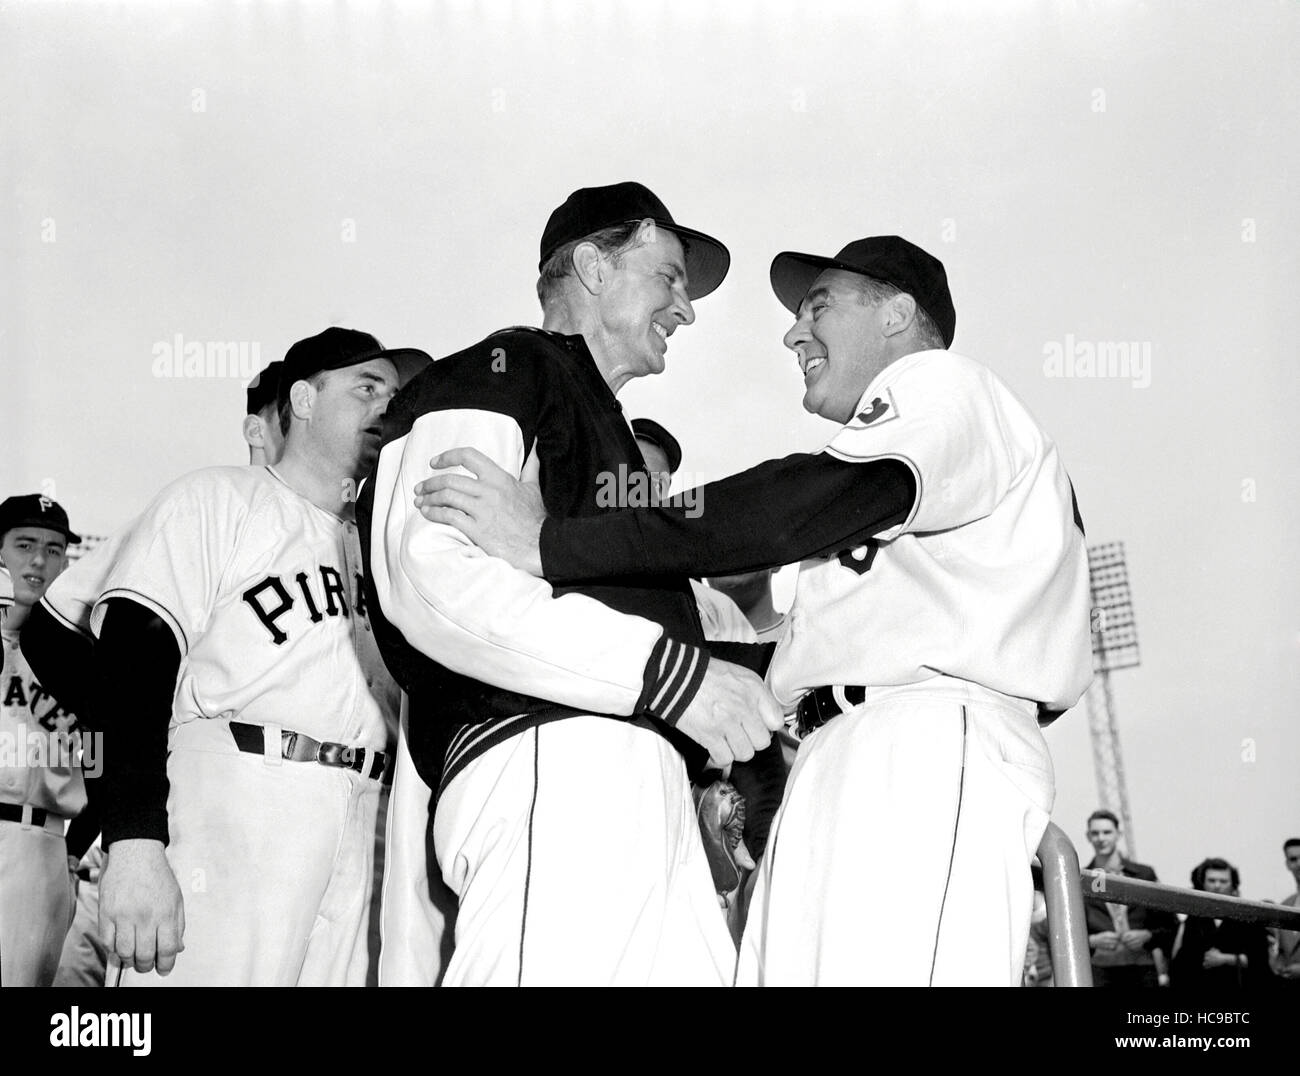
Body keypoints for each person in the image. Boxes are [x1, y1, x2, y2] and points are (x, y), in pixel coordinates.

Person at [415, 234, 1093, 985]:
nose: (795, 332)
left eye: (821, 305)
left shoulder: (947, 385)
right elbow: (761, 630)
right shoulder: (891, 475)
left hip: (925, 737)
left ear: (899, 314)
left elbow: (775, 511)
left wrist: (551, 542)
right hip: (838, 750)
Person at [359, 180, 784, 986]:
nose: (684, 310)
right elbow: (433, 576)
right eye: (669, 277)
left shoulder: (605, 429)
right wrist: (665, 675)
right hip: (550, 759)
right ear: (591, 265)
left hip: (643, 775)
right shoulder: (503, 368)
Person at [85, 329, 428, 986]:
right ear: (303, 398)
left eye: (396, 395)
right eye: (368, 388)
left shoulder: (390, 551)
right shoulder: (217, 499)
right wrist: (132, 837)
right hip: (237, 798)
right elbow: (130, 671)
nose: (389, 407)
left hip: (367, 817)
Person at [30, 362, 288, 988]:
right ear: (261, 426)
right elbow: (51, 631)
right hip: (179, 812)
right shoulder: (208, 506)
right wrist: (145, 732)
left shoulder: (331, 528)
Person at [0, 494, 84, 986]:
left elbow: (104, 762)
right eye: (24, 544)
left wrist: (73, 853)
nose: (39, 560)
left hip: (43, 848)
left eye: (54, 550)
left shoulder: (85, 655)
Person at [1082, 808, 1176, 986]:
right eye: (1095, 833)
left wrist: (1147, 935)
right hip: (1101, 970)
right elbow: (1071, 926)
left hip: (1141, 968)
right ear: (1088, 836)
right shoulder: (1086, 878)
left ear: (1118, 834)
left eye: (1107, 832)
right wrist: (1091, 940)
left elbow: (1169, 923)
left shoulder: (1143, 874)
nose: (1101, 838)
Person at [1171, 858, 1273, 988]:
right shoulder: (1194, 919)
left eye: (1223, 881)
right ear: (1203, 883)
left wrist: (1225, 959)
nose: (1217, 885)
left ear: (1233, 885)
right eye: (1211, 880)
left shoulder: (1248, 917)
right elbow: (1183, 961)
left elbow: (1261, 962)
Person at [1272, 837, 1300, 985]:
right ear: (1288, 864)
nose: (1299, 864)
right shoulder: (1285, 905)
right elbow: (1281, 952)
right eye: (1293, 859)